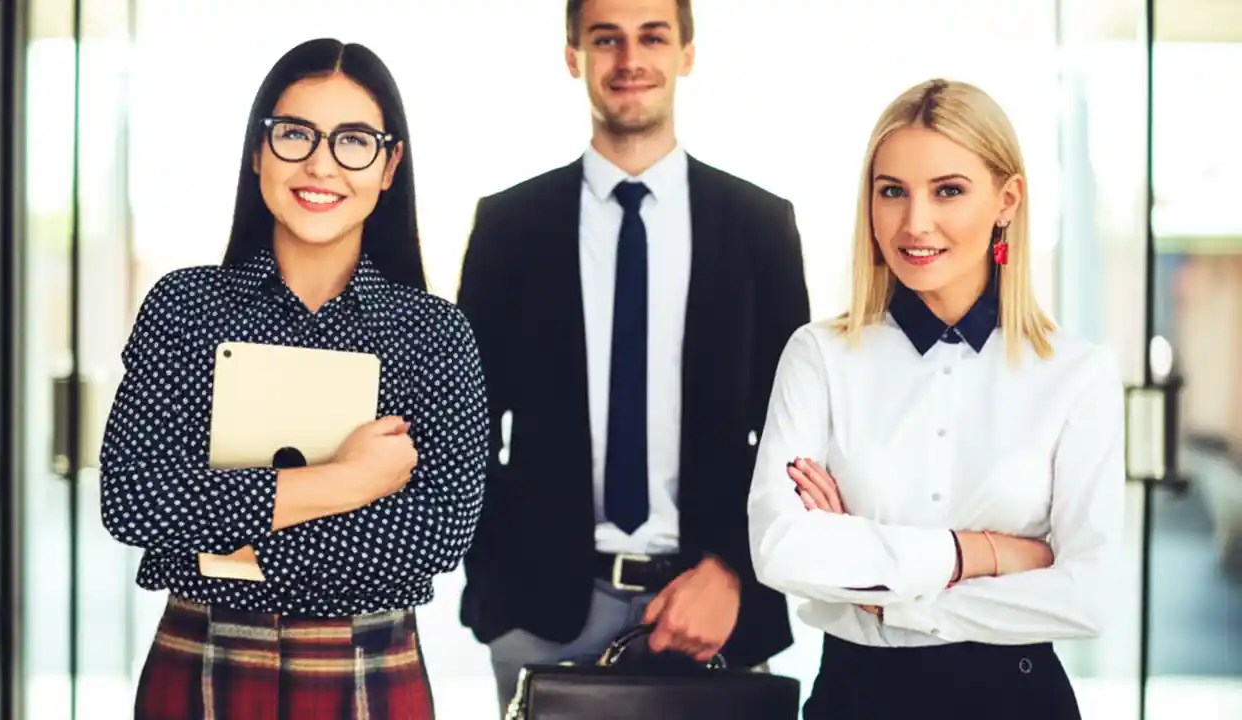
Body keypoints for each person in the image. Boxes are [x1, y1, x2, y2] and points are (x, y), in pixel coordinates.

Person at [98, 38, 486, 720]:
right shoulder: (184, 307)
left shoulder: (434, 332)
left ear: (390, 164)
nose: (320, 164)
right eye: (295, 135)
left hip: (368, 669)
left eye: (354, 141)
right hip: (201, 660)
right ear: (257, 151)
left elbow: (439, 533)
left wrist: (217, 539)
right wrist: (351, 482)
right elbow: (134, 499)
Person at [457, 0, 809, 712]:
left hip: (717, 614)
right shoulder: (509, 226)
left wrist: (736, 573)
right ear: (572, 55)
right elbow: (468, 426)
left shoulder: (760, 226)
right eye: (605, 39)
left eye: (652, 36)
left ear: (686, 52)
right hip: (544, 613)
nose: (629, 60)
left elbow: (795, 439)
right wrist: (501, 567)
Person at [747, 78, 1124, 720]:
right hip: (855, 698)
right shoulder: (820, 356)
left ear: (1008, 200)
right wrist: (979, 554)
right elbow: (782, 547)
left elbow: (1089, 596)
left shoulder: (1077, 373)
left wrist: (888, 589)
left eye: (948, 190)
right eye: (892, 191)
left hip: (1019, 700)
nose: (915, 223)